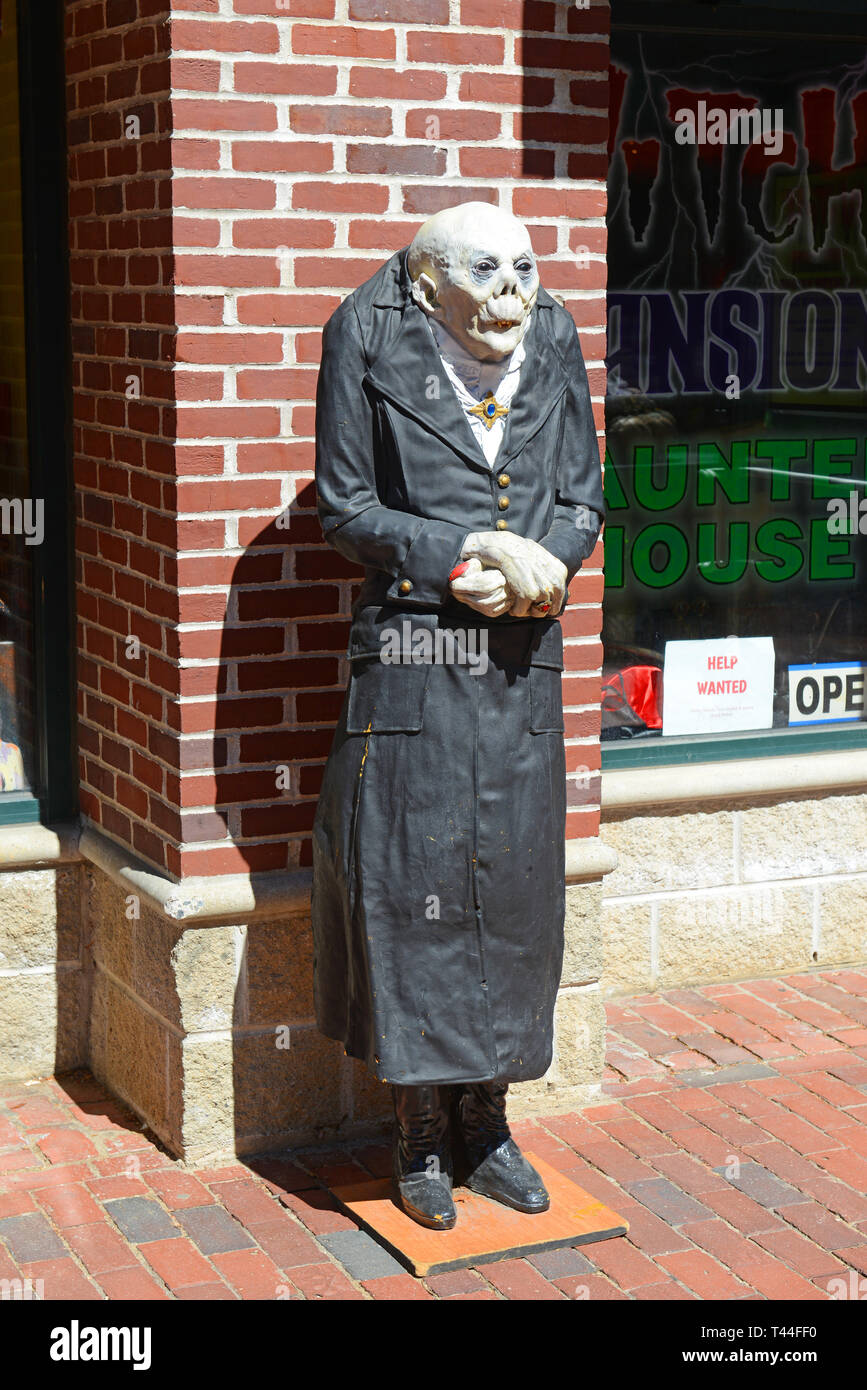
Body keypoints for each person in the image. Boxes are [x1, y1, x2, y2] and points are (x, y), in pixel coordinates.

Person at [311, 202, 605, 1229]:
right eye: (489, 276)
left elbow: (582, 492)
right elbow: (342, 505)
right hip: (414, 654)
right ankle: (421, 1133)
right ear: (430, 282)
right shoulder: (364, 331)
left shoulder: (553, 331)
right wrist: (462, 553)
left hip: (521, 655)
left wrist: (550, 564)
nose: (515, 298)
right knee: (415, 882)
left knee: (517, 892)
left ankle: (490, 1121)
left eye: (526, 271)